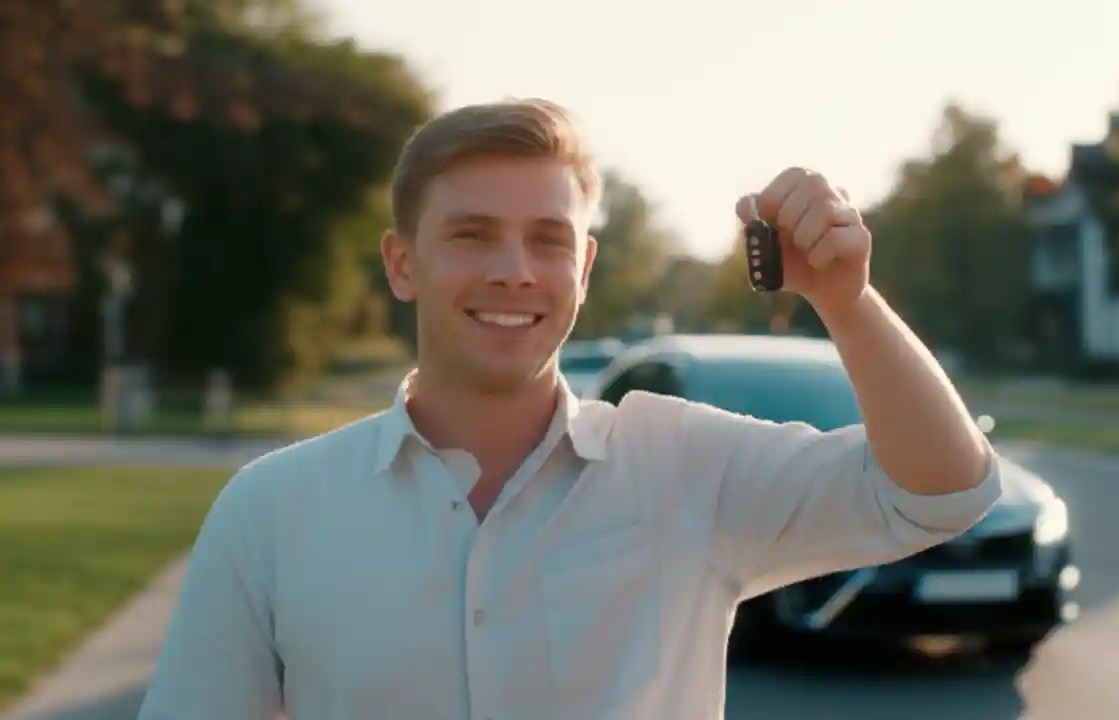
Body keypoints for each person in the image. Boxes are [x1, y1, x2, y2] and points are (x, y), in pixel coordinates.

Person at [139, 97, 1003, 720]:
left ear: (583, 269)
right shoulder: (272, 509)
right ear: (402, 264)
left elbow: (940, 492)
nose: (515, 269)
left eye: (547, 240)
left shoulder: (683, 466)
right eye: (472, 234)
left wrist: (847, 301)